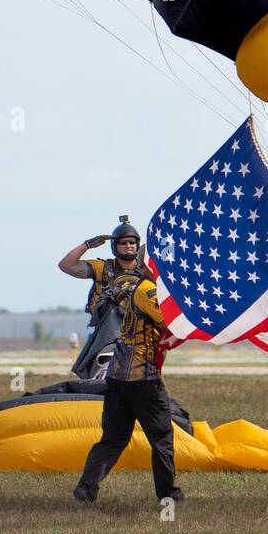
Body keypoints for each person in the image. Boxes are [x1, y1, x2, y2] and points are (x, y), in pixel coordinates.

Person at [57, 216, 184, 506]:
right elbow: (171, 321)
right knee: (161, 437)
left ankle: (86, 488)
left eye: (133, 243)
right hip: (140, 375)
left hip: (117, 375)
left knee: (114, 438)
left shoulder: (141, 281)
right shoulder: (140, 287)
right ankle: (169, 494)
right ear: (115, 247)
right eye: (123, 243)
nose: (129, 247)